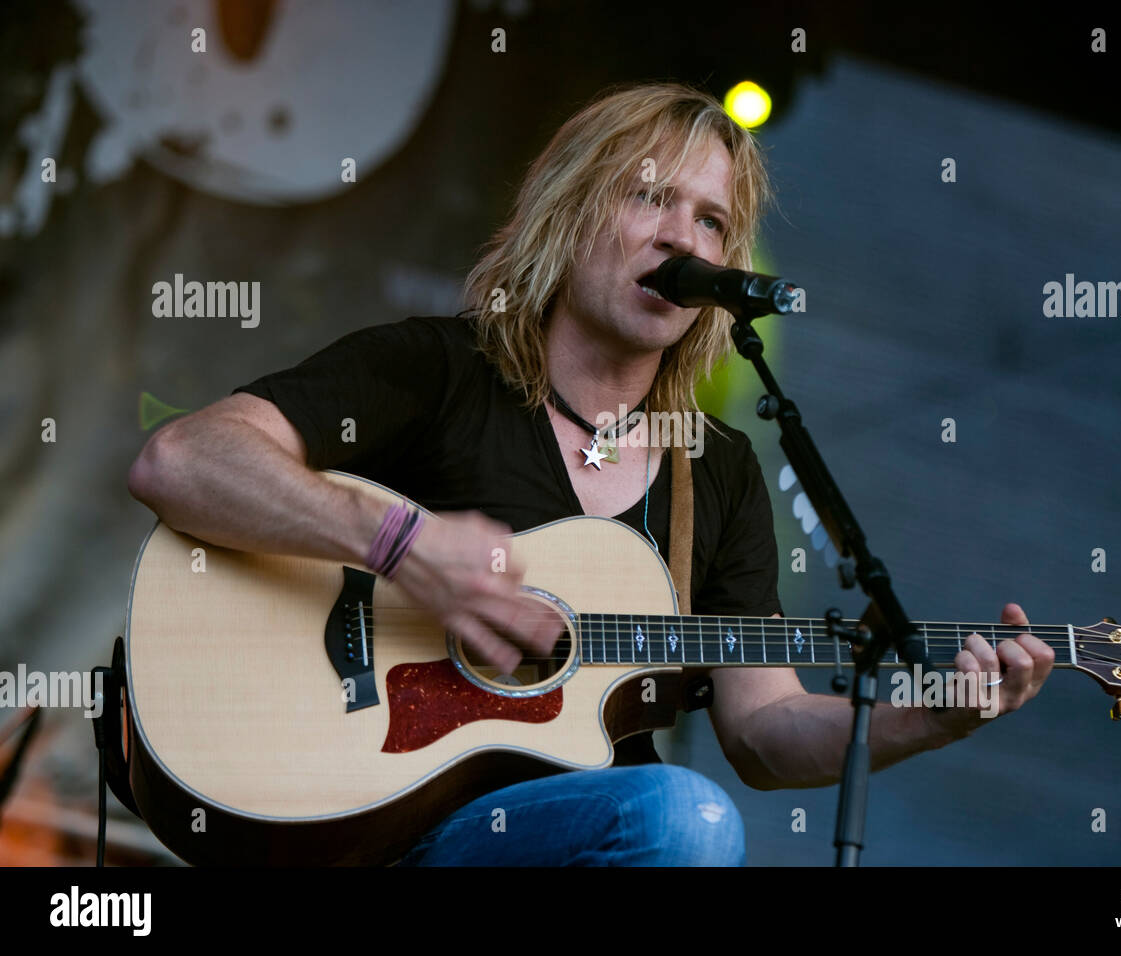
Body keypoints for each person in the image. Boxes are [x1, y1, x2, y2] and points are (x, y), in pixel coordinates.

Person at [127, 82, 1055, 866]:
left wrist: (933, 718)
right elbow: (181, 460)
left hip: (566, 837)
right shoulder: (438, 371)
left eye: (712, 222)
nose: (681, 239)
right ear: (571, 209)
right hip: (368, 820)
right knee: (681, 821)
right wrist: (401, 545)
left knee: (683, 819)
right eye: (651, 198)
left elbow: (766, 730)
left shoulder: (715, 471)